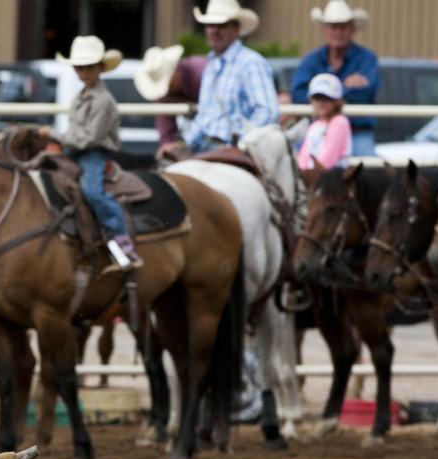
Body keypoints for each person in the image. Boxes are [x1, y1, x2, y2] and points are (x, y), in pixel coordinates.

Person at [57, 36, 142, 271]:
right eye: (79, 66)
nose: (83, 71)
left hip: (93, 153)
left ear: (100, 68)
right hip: (75, 150)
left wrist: (58, 138)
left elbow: (90, 138)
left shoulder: (103, 100)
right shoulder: (82, 95)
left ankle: (121, 238)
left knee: (92, 191)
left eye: (88, 66)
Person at [159, 0, 278, 157]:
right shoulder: (211, 66)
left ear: (236, 29)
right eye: (210, 25)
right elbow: (205, 115)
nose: (214, 31)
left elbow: (267, 112)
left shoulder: (251, 63)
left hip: (229, 149)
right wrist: (183, 144)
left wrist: (241, 143)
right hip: (201, 147)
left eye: (221, 25)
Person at [291, 1, 378, 157]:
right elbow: (297, 94)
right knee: (298, 166)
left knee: (369, 171)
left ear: (352, 29)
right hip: (319, 129)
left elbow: (366, 92)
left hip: (356, 131)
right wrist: (344, 89)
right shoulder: (312, 59)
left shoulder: (366, 58)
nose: (338, 32)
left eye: (343, 27)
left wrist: (320, 95)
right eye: (333, 27)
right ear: (325, 29)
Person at [133, 44, 206, 148]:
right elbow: (166, 130)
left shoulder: (202, 73)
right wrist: (169, 147)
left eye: (168, 84)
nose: (166, 91)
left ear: (176, 70)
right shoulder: (164, 95)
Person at [297, 73, 351, 170]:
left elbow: (329, 156)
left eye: (327, 98)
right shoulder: (315, 124)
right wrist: (301, 171)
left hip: (331, 176)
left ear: (336, 101)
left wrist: (311, 173)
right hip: (313, 175)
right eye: (317, 98)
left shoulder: (339, 122)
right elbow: (304, 153)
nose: (321, 103)